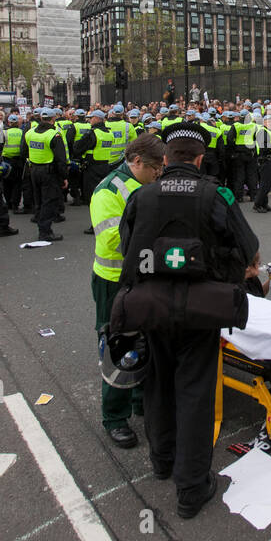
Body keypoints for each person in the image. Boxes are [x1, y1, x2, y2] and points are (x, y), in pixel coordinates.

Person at [117, 121, 260, 520]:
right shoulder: (218, 195)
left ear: (164, 159)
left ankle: (162, 462)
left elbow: (127, 249)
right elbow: (247, 248)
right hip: (200, 312)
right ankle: (192, 489)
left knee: (158, 383)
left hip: (152, 310)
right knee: (195, 393)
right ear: (199, 158)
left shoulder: (141, 196)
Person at [91, 131, 165, 449]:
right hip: (113, 281)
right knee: (118, 346)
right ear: (137, 162)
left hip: (143, 277)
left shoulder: (145, 185)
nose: (159, 174)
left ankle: (138, 399)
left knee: (145, 340)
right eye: (155, 169)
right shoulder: (108, 191)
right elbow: (112, 240)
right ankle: (115, 417)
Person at [26, 108, 68, 241]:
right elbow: (60, 159)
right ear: (53, 119)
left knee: (38, 199)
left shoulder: (30, 133)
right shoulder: (53, 135)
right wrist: (64, 177)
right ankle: (45, 231)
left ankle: (40, 222)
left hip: (34, 169)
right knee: (49, 201)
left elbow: (23, 151)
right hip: (48, 172)